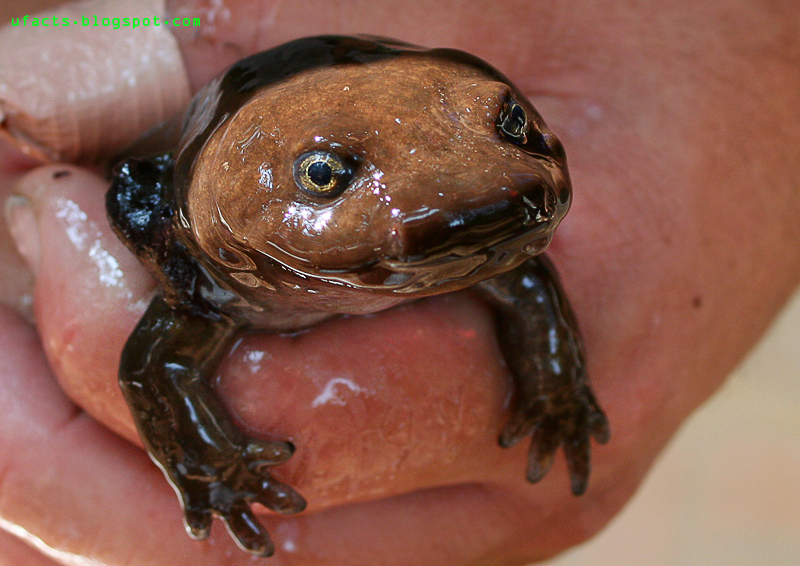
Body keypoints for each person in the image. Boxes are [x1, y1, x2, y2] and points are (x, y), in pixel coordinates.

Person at [1, 1, 799, 564]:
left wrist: (756, 51)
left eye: (510, 128)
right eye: (325, 176)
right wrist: (212, 465)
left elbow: (528, 279)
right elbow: (157, 364)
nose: (464, 207)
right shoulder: (206, 271)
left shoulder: (501, 230)